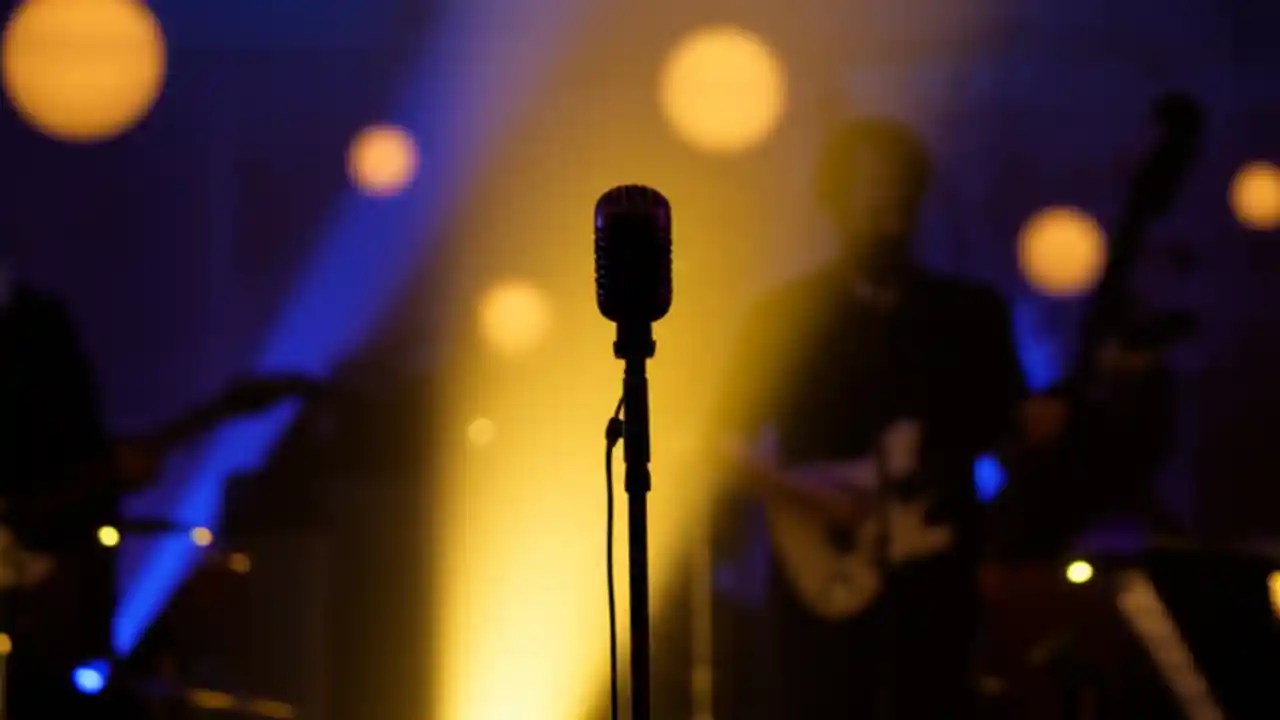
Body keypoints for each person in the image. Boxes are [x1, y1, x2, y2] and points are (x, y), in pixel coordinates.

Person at [716, 119, 1024, 718]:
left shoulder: (969, 313)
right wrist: (817, 497)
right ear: (835, 197)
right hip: (821, 579)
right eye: (870, 182)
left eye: (900, 181)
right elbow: (723, 440)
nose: (889, 196)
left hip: (937, 581)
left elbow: (1006, 424)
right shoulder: (786, 316)